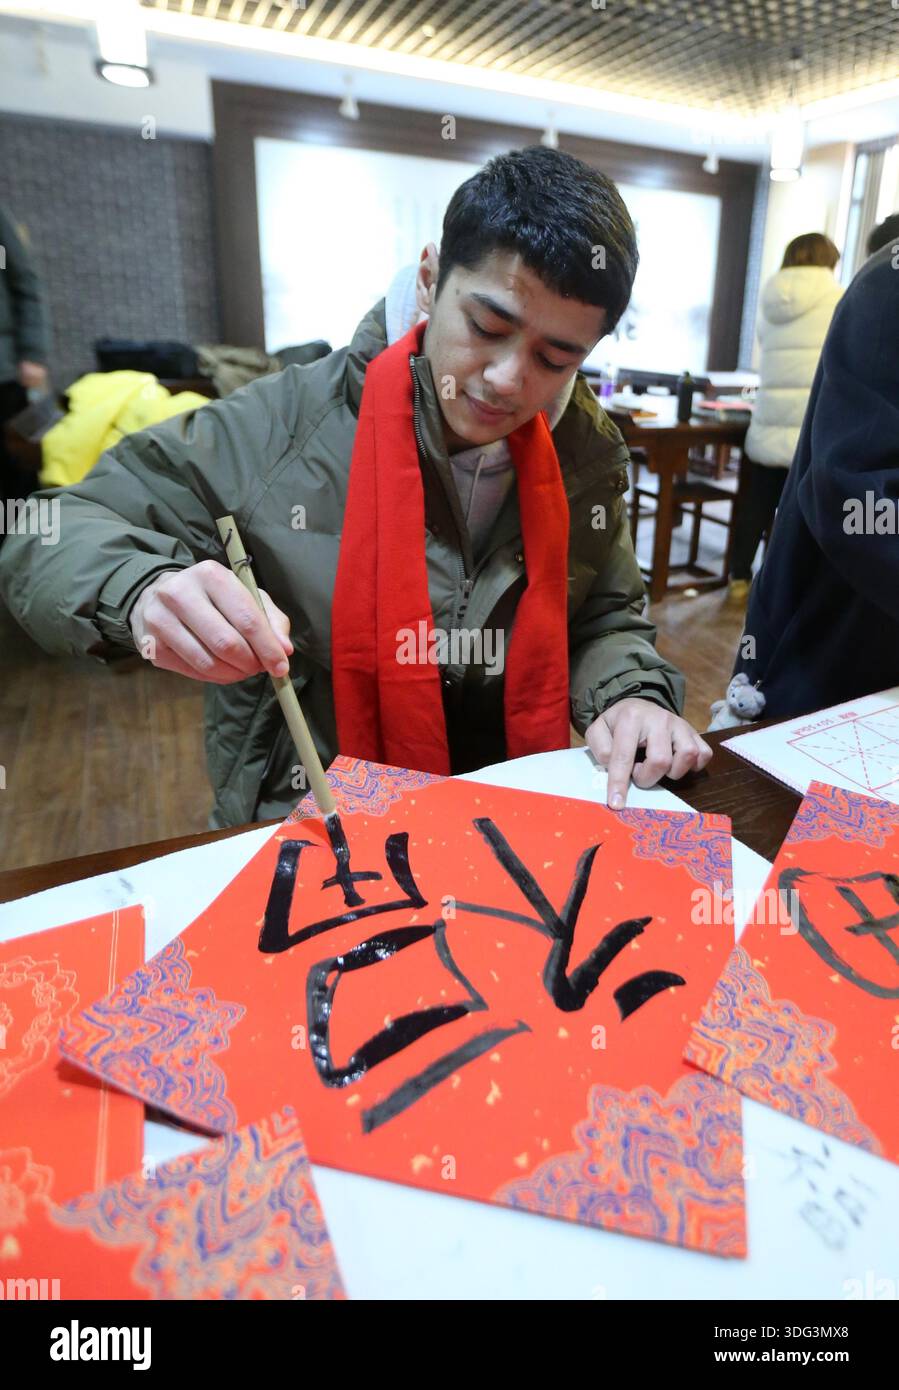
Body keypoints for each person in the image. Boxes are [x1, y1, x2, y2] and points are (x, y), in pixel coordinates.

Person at [0, 147, 711, 826]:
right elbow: (49, 529)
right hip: (310, 809)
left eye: (555, 358)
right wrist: (141, 588)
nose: (506, 378)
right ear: (430, 277)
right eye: (487, 326)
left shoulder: (584, 451)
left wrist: (631, 696)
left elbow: (604, 617)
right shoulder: (285, 427)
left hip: (505, 800)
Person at [718, 240, 899, 725]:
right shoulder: (880, 285)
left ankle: (735, 574)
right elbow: (856, 501)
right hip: (843, 645)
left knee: (762, 514)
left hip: (783, 426)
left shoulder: (775, 293)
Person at [728, 232, 843, 603]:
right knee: (798, 514)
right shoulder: (838, 296)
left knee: (756, 504)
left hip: (768, 420)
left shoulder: (770, 298)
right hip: (809, 428)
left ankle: (738, 580)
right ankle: (780, 591)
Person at [0, 204, 49, 537]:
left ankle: (25, 545)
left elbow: (24, 283)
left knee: (15, 466)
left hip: (3, 372)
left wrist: (32, 353)